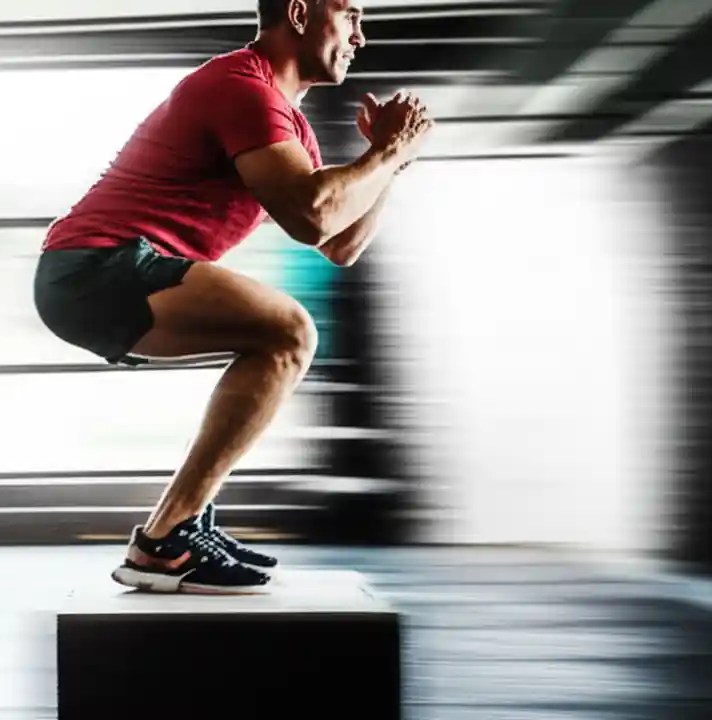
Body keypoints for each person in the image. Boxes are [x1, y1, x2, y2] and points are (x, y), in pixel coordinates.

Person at [33, 0, 433, 594]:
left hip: (103, 273)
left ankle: (173, 533)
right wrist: (386, 154)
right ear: (299, 13)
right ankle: (169, 536)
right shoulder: (240, 86)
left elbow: (342, 242)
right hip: (93, 267)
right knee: (289, 332)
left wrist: (390, 167)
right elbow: (313, 215)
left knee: (275, 343)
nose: (361, 37)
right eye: (350, 16)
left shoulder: (290, 125)